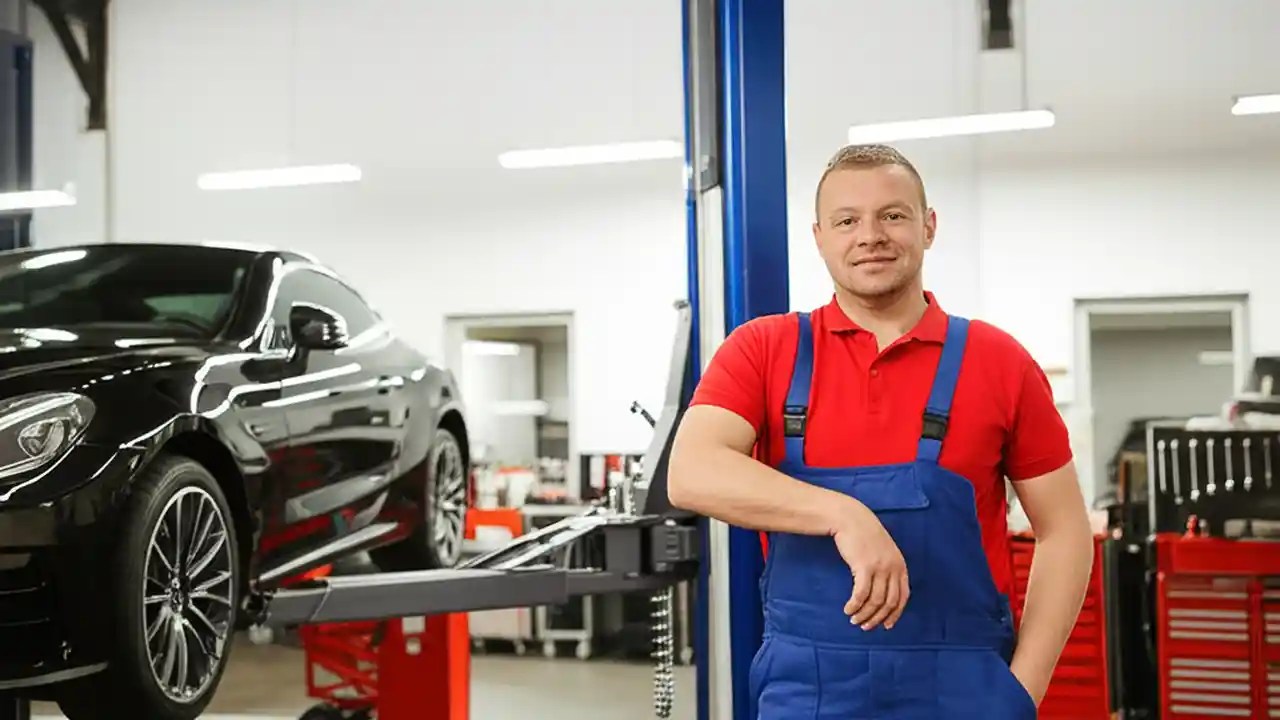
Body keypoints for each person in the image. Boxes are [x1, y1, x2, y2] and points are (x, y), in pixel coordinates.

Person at [667, 144, 1094, 718]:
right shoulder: (764, 350)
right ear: (820, 237)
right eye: (848, 221)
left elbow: (1064, 528)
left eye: (893, 215)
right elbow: (691, 472)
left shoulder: (999, 361)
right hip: (809, 690)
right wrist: (846, 516)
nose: (870, 235)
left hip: (964, 689)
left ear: (929, 226)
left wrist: (1022, 690)